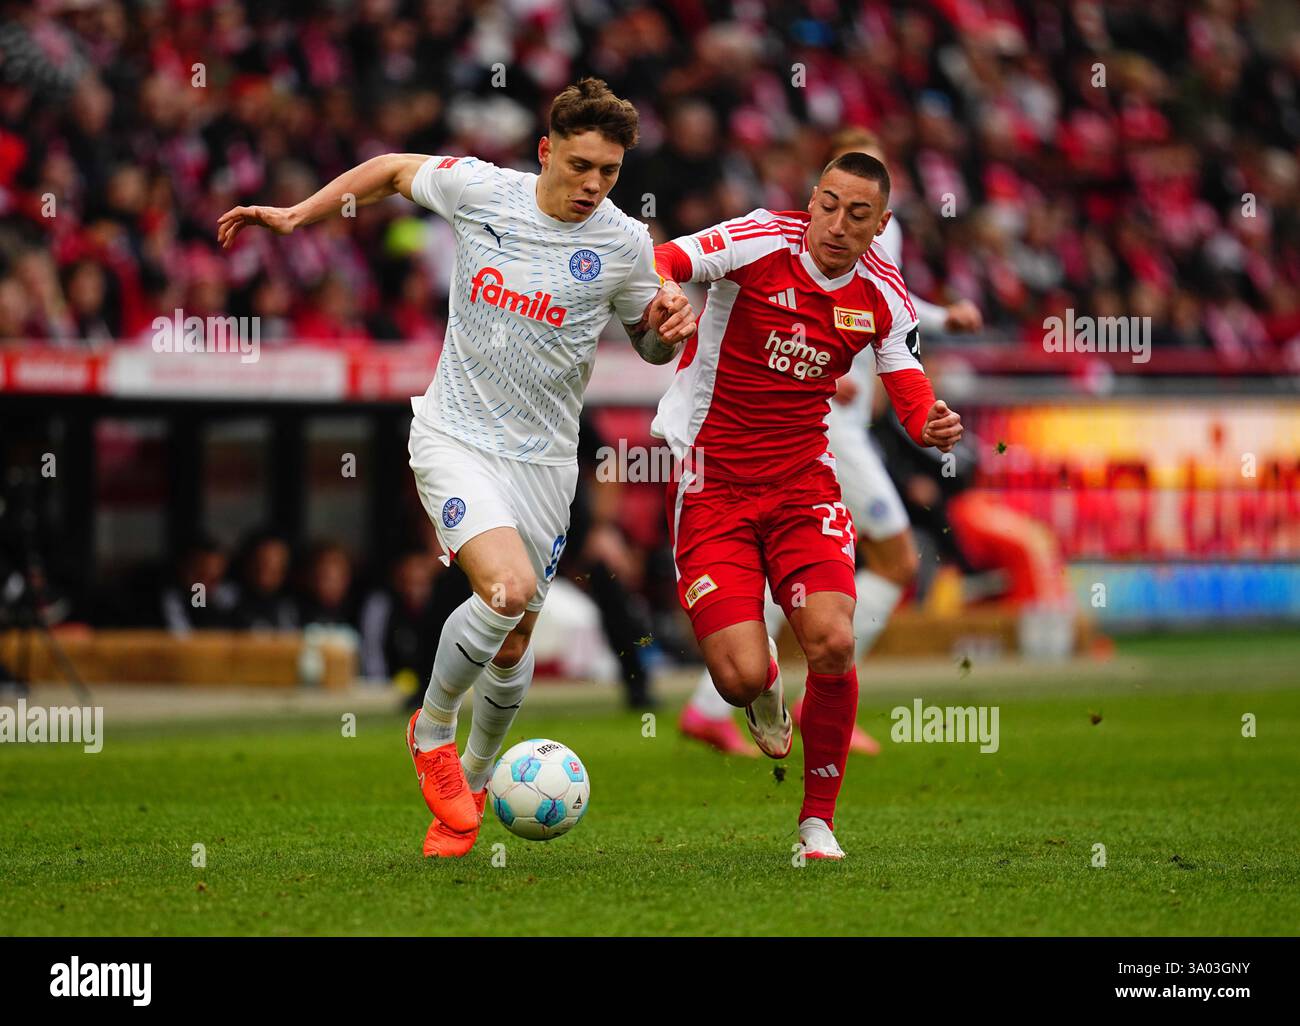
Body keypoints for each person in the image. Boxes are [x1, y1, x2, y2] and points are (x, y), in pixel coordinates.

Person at [217, 78, 696, 858]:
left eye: (608, 172)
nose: (592, 185)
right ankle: (432, 729)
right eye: (579, 165)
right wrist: (301, 213)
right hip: (455, 436)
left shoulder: (622, 243)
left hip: (544, 463)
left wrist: (665, 332)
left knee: (514, 641)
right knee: (503, 590)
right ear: (546, 151)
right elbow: (390, 168)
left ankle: (468, 788)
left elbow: (647, 338)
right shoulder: (481, 191)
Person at [653, 151, 962, 859]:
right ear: (812, 198)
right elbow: (669, 256)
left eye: (858, 215)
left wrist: (929, 423)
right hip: (712, 486)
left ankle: (816, 823)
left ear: (880, 225)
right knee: (736, 676)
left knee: (833, 640)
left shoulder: (884, 293)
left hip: (803, 486)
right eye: (827, 203)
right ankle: (761, 693)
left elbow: (909, 383)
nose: (836, 224)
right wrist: (668, 295)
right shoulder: (761, 238)